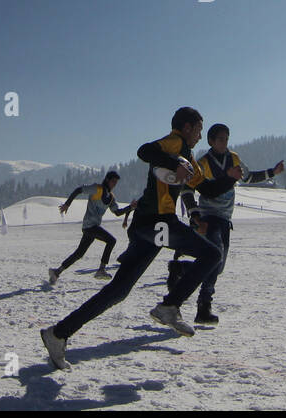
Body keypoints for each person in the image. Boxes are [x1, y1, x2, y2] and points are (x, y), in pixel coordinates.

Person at [40, 108, 222, 370]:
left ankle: (57, 334)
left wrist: (249, 176)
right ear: (185, 127)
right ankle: (169, 306)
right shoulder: (175, 142)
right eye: (198, 129)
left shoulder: (189, 156)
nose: (200, 135)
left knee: (118, 291)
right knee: (212, 254)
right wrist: (174, 163)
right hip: (157, 223)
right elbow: (144, 151)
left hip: (148, 228)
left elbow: (207, 188)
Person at [167, 124, 283, 324]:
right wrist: (195, 215)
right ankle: (203, 307)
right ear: (211, 141)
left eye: (227, 139)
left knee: (217, 266)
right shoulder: (203, 163)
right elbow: (187, 189)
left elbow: (248, 177)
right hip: (209, 217)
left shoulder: (235, 158)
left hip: (225, 219)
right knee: (215, 258)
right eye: (221, 139)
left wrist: (272, 172)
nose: (224, 143)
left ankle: (181, 268)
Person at [47, 171, 134, 284]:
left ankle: (57, 272)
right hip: (90, 226)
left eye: (116, 182)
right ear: (107, 179)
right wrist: (67, 204)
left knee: (79, 253)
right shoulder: (97, 189)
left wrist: (130, 207)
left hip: (92, 228)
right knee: (111, 241)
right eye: (113, 181)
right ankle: (101, 270)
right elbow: (79, 190)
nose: (114, 184)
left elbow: (117, 212)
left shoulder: (111, 197)